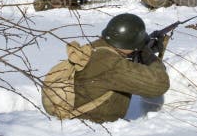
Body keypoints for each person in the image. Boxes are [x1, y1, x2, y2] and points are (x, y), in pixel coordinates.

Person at [41, 13, 169, 123]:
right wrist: (149, 55)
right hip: (93, 129)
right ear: (131, 44)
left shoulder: (97, 48)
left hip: (76, 120)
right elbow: (159, 84)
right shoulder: (111, 64)